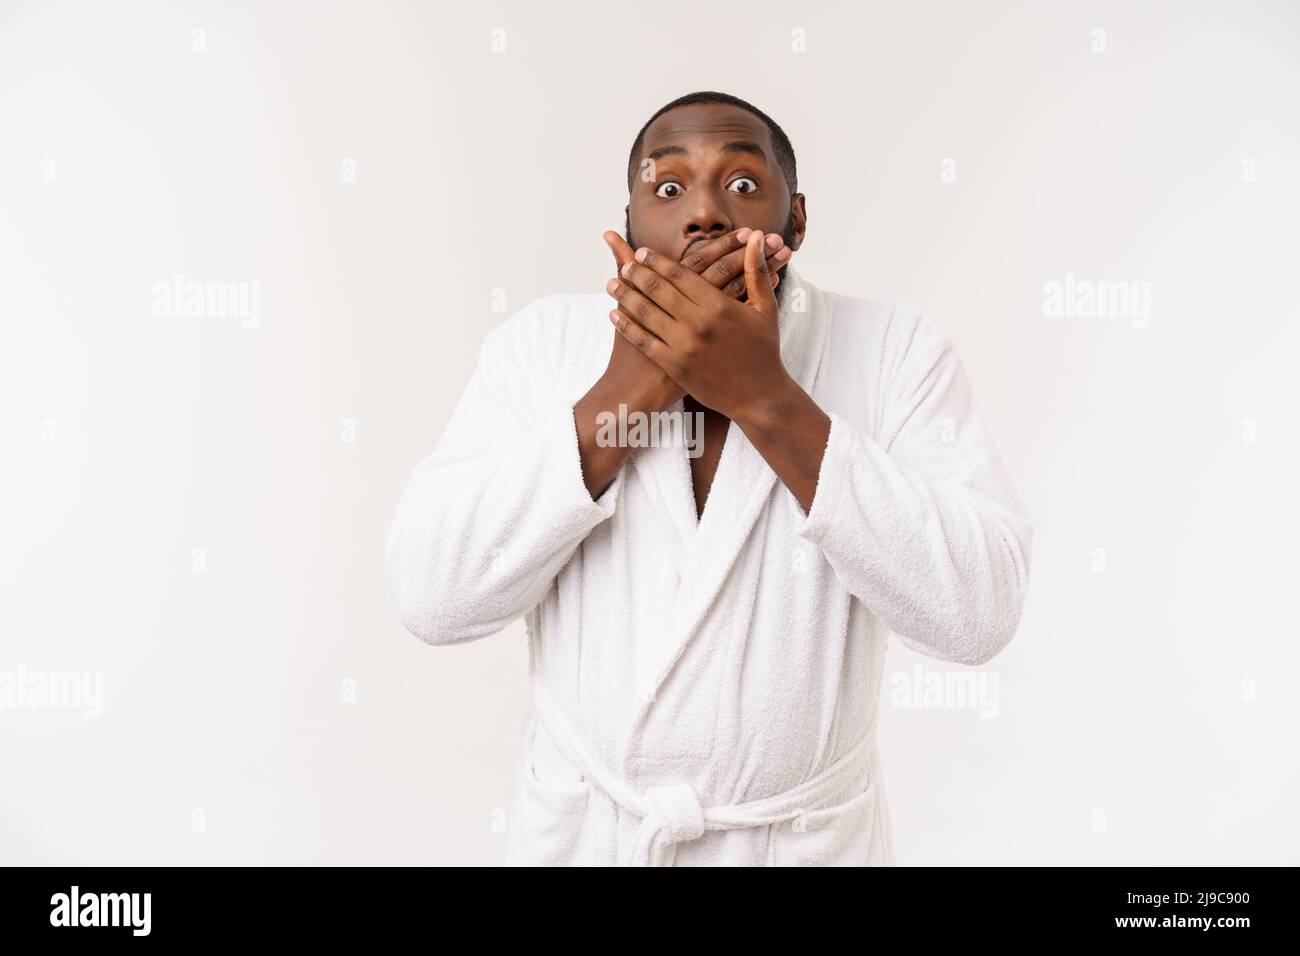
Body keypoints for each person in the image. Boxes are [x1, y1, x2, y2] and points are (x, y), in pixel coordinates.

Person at [385, 90, 1034, 866]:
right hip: (592, 838)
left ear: (796, 220)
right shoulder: (541, 347)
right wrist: (624, 389)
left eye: (742, 184)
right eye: (668, 188)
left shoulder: (895, 351)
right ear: (627, 224)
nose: (704, 214)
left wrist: (766, 398)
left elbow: (978, 613)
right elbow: (431, 593)